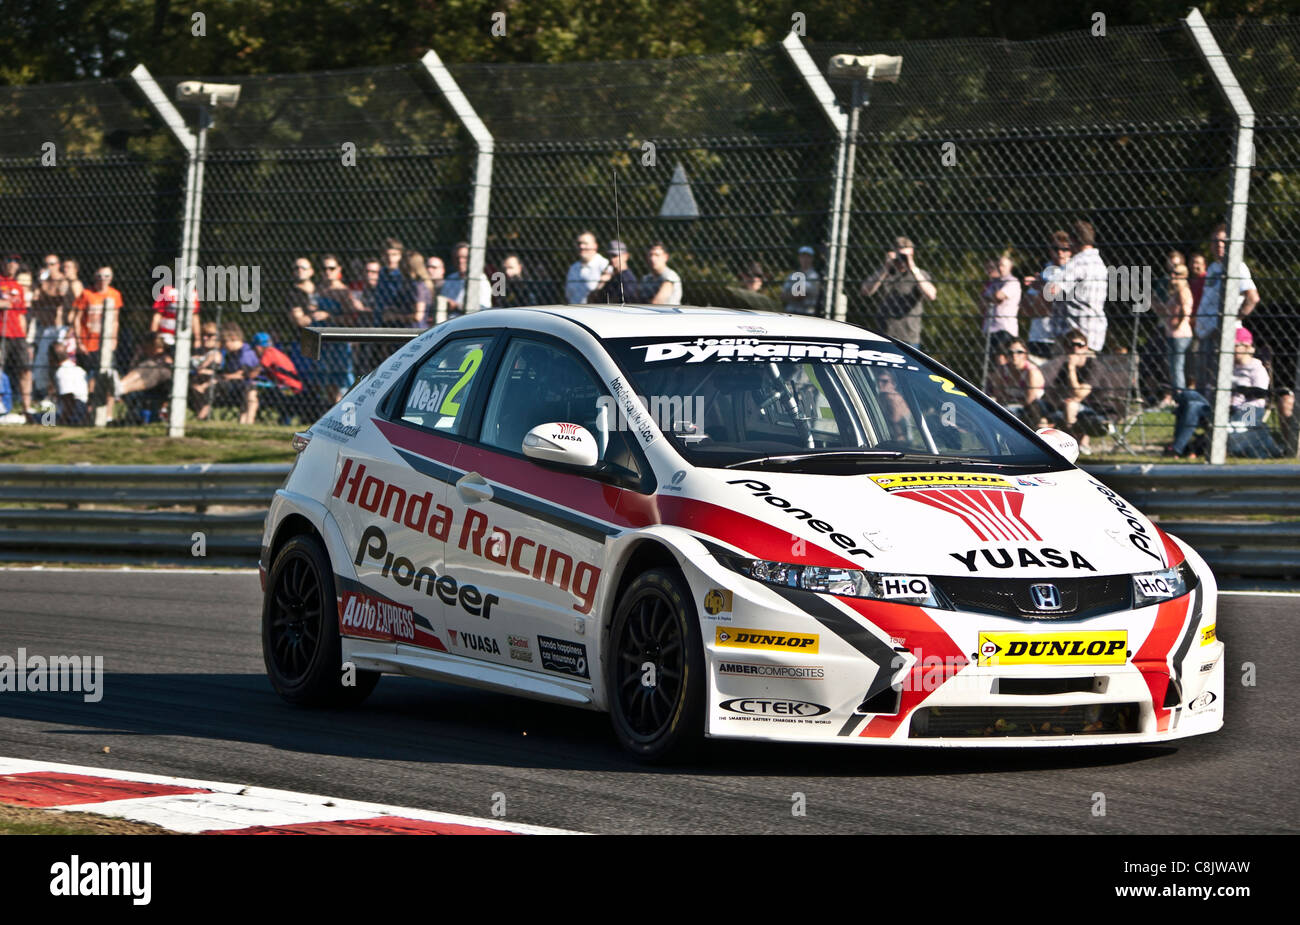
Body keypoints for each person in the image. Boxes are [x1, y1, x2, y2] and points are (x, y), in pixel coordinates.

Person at [1166, 325, 1275, 458]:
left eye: (1234, 346)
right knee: (1188, 395)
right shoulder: (1226, 366)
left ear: (1246, 346)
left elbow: (1261, 393)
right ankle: (1181, 448)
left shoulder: (1256, 368)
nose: (1229, 350)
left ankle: (1177, 449)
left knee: (1192, 406)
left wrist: (1238, 391)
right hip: (1218, 407)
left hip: (1243, 411)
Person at [1195, 223, 1259, 395]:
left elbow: (1252, 297)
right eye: (1215, 242)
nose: (1219, 246)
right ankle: (1203, 419)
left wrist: (1231, 323)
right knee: (1203, 382)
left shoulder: (1236, 266)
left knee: (1216, 384)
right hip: (1204, 333)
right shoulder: (1213, 267)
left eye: (1224, 242)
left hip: (1221, 335)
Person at [860, 236, 936, 348]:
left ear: (912, 255)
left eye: (905, 256)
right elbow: (865, 291)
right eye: (900, 255)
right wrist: (886, 267)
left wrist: (913, 268)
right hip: (883, 335)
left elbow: (931, 295)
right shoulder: (884, 273)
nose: (902, 260)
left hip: (909, 337)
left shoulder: (919, 274)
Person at [69, 265, 123, 420]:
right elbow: (77, 319)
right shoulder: (86, 294)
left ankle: (108, 415)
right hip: (88, 343)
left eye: (106, 276)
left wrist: (114, 339)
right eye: (99, 276)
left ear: (111, 278)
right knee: (91, 378)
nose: (102, 280)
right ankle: (89, 412)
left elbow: (115, 320)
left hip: (105, 343)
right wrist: (79, 342)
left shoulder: (115, 294)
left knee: (109, 375)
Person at [1047, 220, 1108, 353]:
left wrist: (1042, 284)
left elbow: (1052, 291)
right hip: (1094, 333)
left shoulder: (1078, 263)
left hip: (1073, 337)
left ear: (1073, 240)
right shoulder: (1098, 263)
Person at [1022, 231, 1071, 362]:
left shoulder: (1072, 270)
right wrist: (1044, 293)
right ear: (1050, 250)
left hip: (1059, 337)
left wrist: (1042, 288)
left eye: (1065, 249)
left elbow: (1053, 302)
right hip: (1037, 336)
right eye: (1056, 248)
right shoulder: (1046, 270)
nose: (1060, 252)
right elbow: (1026, 307)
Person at [197, 323, 260, 424]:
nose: (223, 345)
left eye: (224, 342)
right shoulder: (231, 354)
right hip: (233, 384)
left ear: (234, 338)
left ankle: (201, 416)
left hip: (247, 384)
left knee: (218, 386)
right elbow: (227, 371)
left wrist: (226, 376)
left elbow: (244, 374)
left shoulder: (246, 354)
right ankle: (201, 415)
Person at [0, 253, 32, 417]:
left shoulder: (18, 286)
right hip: (1, 332)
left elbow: (21, 314)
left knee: (25, 369)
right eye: (9, 260)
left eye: (16, 261)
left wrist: (25, 339)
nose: (13, 264)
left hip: (17, 334)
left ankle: (27, 408)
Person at [987, 338, 1045, 424]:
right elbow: (999, 395)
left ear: (1025, 354)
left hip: (1033, 407)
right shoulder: (1001, 371)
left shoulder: (1031, 372)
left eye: (1019, 352)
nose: (1014, 355)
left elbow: (1029, 400)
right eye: (1010, 352)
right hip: (1010, 406)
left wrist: (1009, 401)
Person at [250, 331, 303, 423]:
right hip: (287, 385)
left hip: (289, 388)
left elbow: (253, 374)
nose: (254, 352)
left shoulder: (268, 352)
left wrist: (244, 373)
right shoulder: (274, 351)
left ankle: (255, 417)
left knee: (257, 393)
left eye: (254, 349)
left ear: (258, 347)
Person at [1160, 257, 1194, 391]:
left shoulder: (1183, 291)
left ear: (1185, 276)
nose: (1173, 276)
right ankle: (1178, 394)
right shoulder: (1175, 292)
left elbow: (1185, 311)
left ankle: (1179, 395)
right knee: (1174, 367)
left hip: (1180, 334)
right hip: (1173, 333)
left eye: (1177, 274)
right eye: (1172, 273)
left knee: (1177, 367)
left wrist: (1177, 324)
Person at [979, 254, 1021, 354]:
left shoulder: (1013, 282)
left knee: (1002, 359)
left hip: (1004, 329)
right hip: (990, 329)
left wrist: (990, 299)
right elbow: (981, 303)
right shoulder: (994, 283)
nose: (1000, 268)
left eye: (1003, 265)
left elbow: (999, 296)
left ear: (1010, 267)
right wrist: (992, 298)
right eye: (998, 265)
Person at [441, 242, 491, 314]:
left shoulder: (480, 279)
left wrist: (456, 306)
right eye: (457, 258)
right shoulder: (450, 278)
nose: (460, 261)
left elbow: (483, 309)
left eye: (464, 257)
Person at [565, 231, 609, 304]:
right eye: (579, 243)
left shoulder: (605, 265)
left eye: (585, 243)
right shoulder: (573, 268)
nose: (581, 246)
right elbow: (568, 296)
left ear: (595, 246)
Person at [781, 246, 821, 315]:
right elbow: (782, 296)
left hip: (806, 313)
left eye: (808, 256)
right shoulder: (792, 274)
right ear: (799, 258)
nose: (805, 259)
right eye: (803, 256)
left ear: (812, 258)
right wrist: (794, 295)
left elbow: (800, 296)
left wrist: (790, 295)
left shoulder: (814, 275)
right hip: (790, 312)